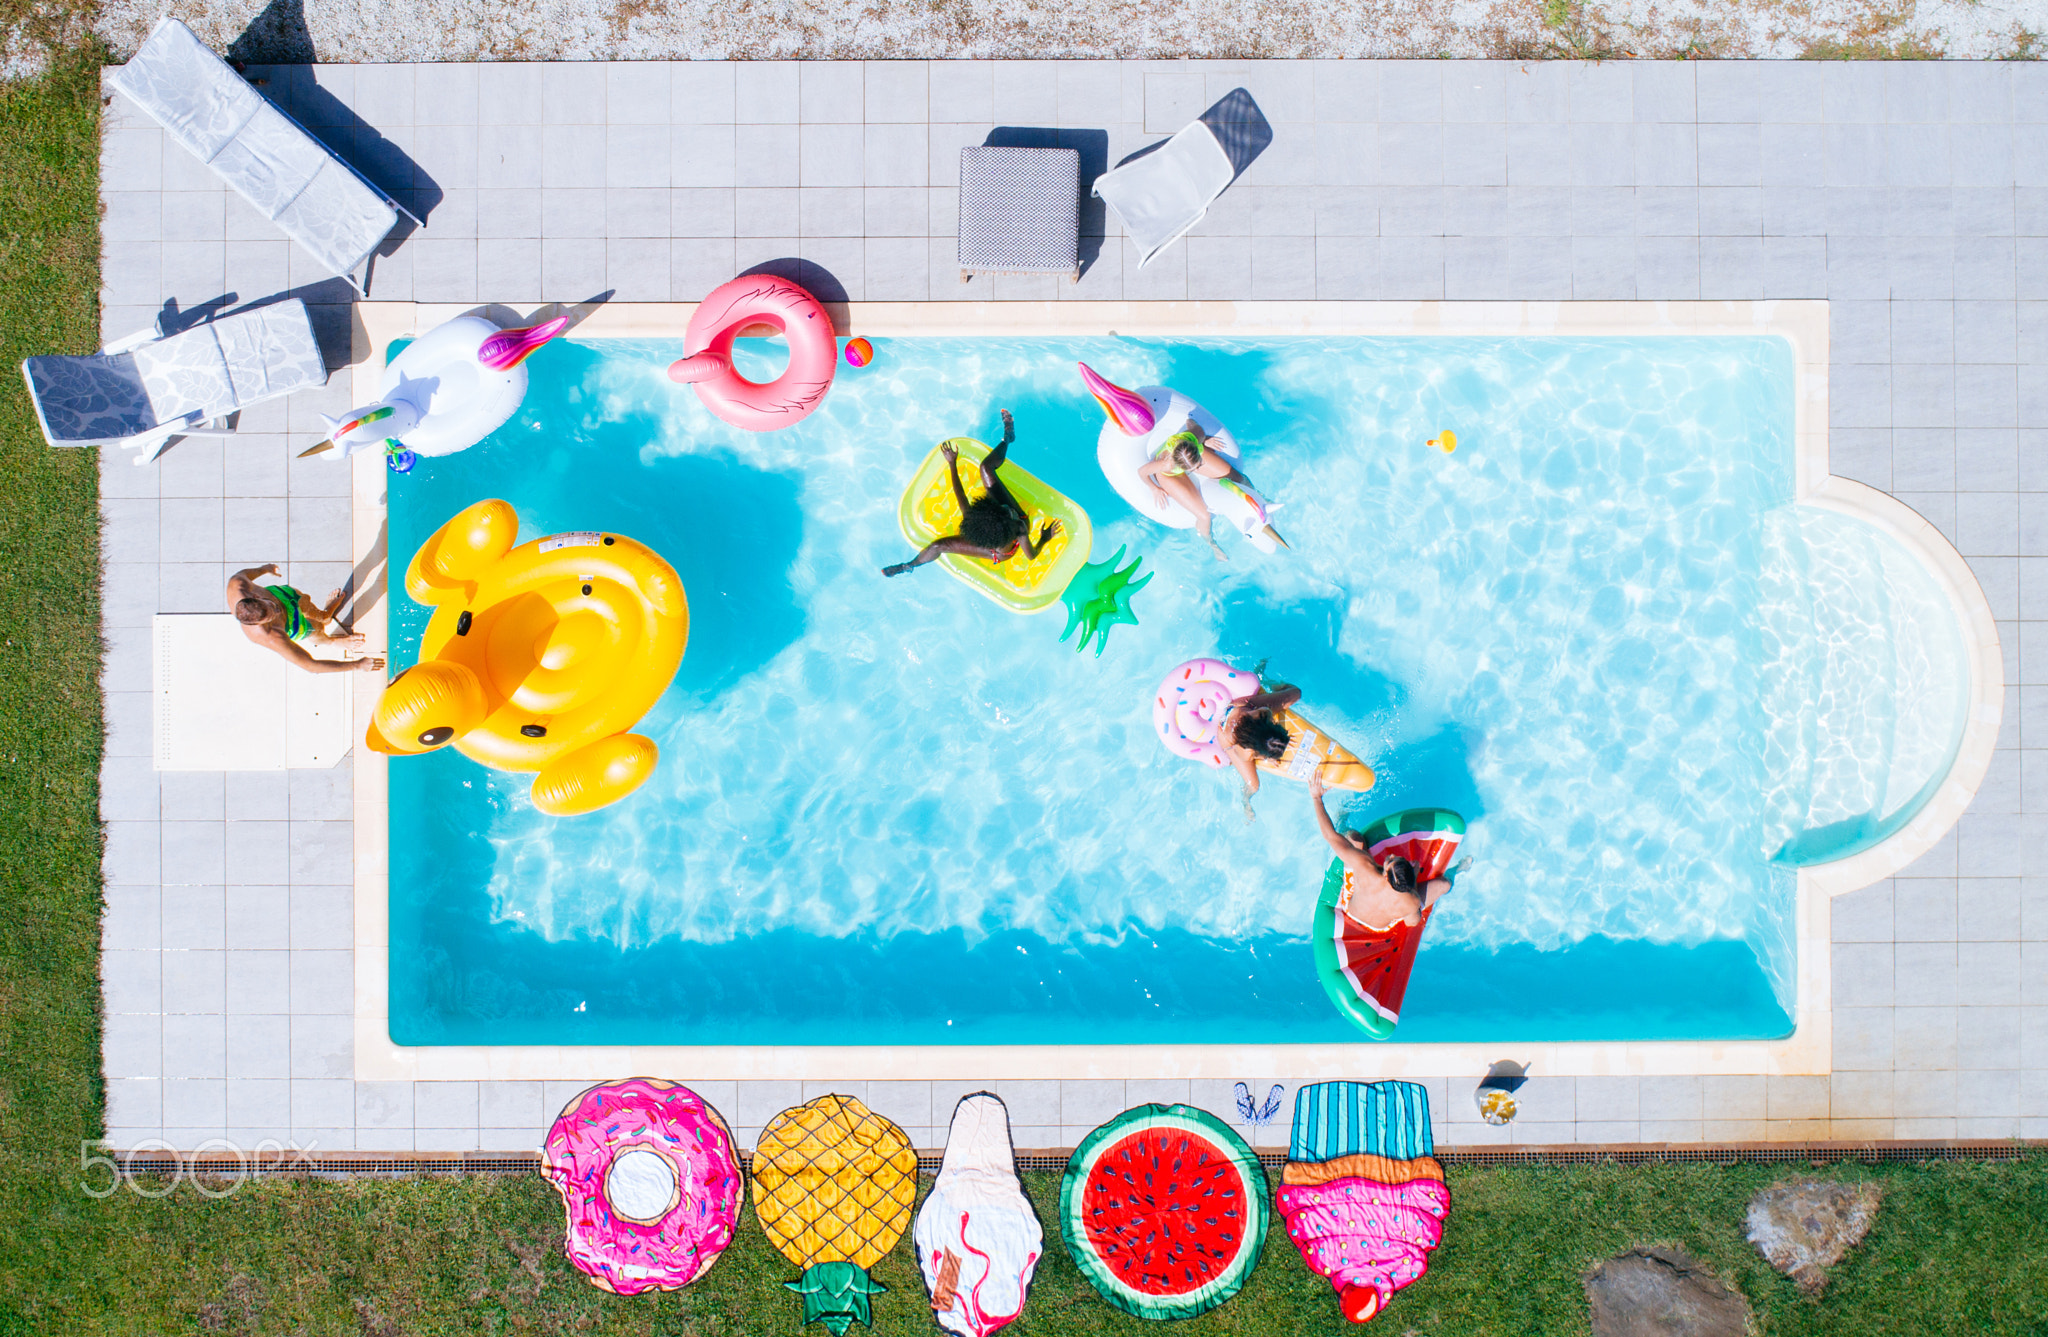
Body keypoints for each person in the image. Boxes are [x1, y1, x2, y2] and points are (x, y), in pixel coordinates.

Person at [882, 409, 1060, 577]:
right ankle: (909, 566)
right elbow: (1031, 555)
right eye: (1009, 511)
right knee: (938, 546)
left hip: (999, 527)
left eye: (1006, 509)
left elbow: (960, 495)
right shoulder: (1017, 526)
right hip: (995, 548)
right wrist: (1044, 538)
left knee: (985, 467)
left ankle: (1007, 439)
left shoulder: (1006, 521)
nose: (1010, 507)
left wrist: (952, 464)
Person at [1308, 770, 1455, 931]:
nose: (1391, 855)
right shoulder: (1411, 900)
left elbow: (1330, 836)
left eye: (1390, 860)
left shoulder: (1365, 867)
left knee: (1355, 840)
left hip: (1352, 910)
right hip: (1382, 926)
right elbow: (1411, 922)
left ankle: (1341, 821)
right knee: (1445, 885)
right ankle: (1458, 868)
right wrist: (1412, 889)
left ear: (1385, 875)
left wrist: (1317, 798)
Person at [1132, 417, 1277, 562]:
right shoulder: (1166, 465)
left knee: (1239, 478)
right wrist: (1154, 488)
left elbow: (1191, 422)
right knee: (1204, 516)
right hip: (1169, 475)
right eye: (1194, 469)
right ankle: (1212, 544)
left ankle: (1258, 495)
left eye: (1198, 465)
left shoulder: (1195, 436)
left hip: (1187, 451)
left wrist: (1205, 439)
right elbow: (1142, 472)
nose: (1197, 470)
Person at [227, 565, 384, 674]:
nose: (277, 610)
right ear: (259, 624)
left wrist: (264, 569)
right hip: (290, 624)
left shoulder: (237, 584)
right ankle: (332, 641)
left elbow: (242, 574)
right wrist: (357, 665)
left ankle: (326, 615)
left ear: (256, 596)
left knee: (310, 607)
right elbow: (311, 666)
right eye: (272, 615)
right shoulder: (271, 636)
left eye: (271, 606)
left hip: (283, 595)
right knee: (315, 628)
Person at [1218, 677, 1301, 817]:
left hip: (1240, 708)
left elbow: (1264, 723)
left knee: (1295, 694)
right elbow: (1245, 755)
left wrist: (1273, 743)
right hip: (1224, 733)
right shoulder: (1243, 749)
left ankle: (1269, 682)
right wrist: (1266, 758)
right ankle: (1246, 802)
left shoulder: (1262, 713)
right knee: (1253, 785)